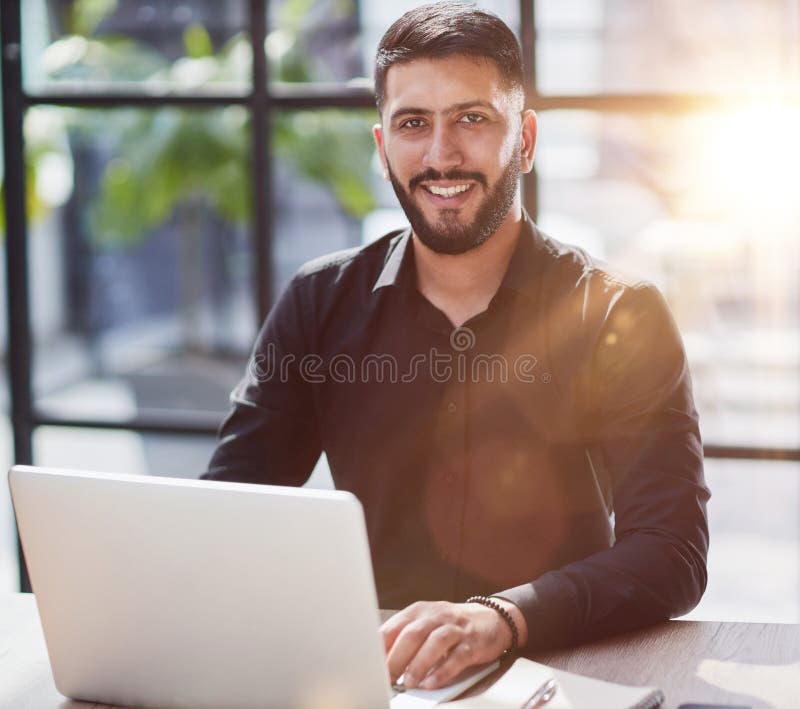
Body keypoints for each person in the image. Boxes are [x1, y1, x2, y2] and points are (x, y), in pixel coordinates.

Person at [203, 1, 709, 691]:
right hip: (377, 680)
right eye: (414, 124)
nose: (441, 155)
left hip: (564, 673)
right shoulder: (318, 302)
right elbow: (227, 514)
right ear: (383, 147)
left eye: (473, 118)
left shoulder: (621, 312)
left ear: (525, 140)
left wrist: (502, 616)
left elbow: (671, 552)